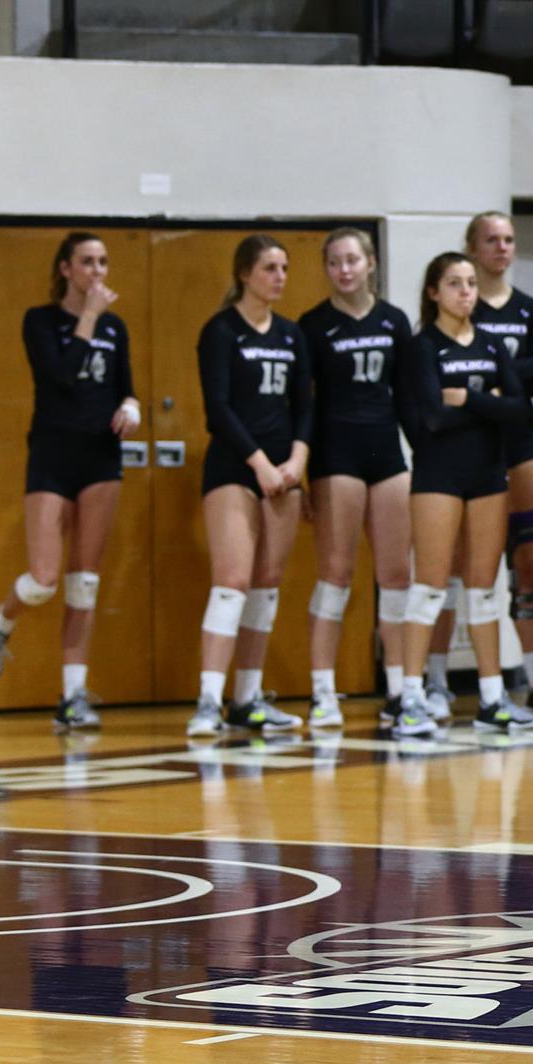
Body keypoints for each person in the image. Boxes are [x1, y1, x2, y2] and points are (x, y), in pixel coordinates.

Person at [423, 214, 533, 722]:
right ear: (470, 248)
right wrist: (510, 383)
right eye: (491, 240)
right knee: (449, 567)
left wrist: (485, 390)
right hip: (465, 452)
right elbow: (531, 370)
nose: (502, 248)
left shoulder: (527, 308)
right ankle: (438, 680)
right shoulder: (455, 306)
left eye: (509, 240)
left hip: (519, 441)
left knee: (527, 562)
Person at [395, 252, 533, 736]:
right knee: (430, 587)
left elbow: (522, 412)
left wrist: (467, 398)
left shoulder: (489, 344)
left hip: (487, 476)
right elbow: (430, 419)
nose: (465, 291)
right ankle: (412, 697)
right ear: (433, 292)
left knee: (484, 590)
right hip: (438, 477)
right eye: (454, 283)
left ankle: (491, 698)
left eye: (470, 283)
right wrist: (492, 405)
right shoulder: (421, 348)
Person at [0, 233, 140, 731]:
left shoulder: (115, 327)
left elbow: (125, 386)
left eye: (103, 262)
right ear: (65, 269)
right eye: (87, 262)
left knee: (85, 582)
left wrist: (132, 408)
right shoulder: (41, 321)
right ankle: (0, 625)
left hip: (100, 457)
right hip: (53, 456)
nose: (98, 271)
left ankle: (73, 696)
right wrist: (88, 317)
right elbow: (59, 377)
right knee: (43, 579)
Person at [189, 236, 313, 737]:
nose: (280, 276)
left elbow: (305, 404)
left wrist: (298, 457)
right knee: (233, 581)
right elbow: (217, 409)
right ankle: (206, 701)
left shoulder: (290, 334)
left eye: (284, 267)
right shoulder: (221, 332)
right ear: (245, 273)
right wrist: (259, 463)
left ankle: (247, 698)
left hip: (285, 469)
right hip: (235, 467)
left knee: (267, 583)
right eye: (269, 268)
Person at [299, 229, 415, 732]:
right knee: (336, 573)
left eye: (352, 260)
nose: (344, 270)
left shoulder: (394, 321)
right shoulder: (313, 325)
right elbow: (302, 404)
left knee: (396, 576)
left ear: (370, 263)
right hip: (336, 454)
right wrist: (302, 470)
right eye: (334, 263)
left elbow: (410, 393)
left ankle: (398, 688)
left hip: (386, 451)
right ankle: (324, 691)